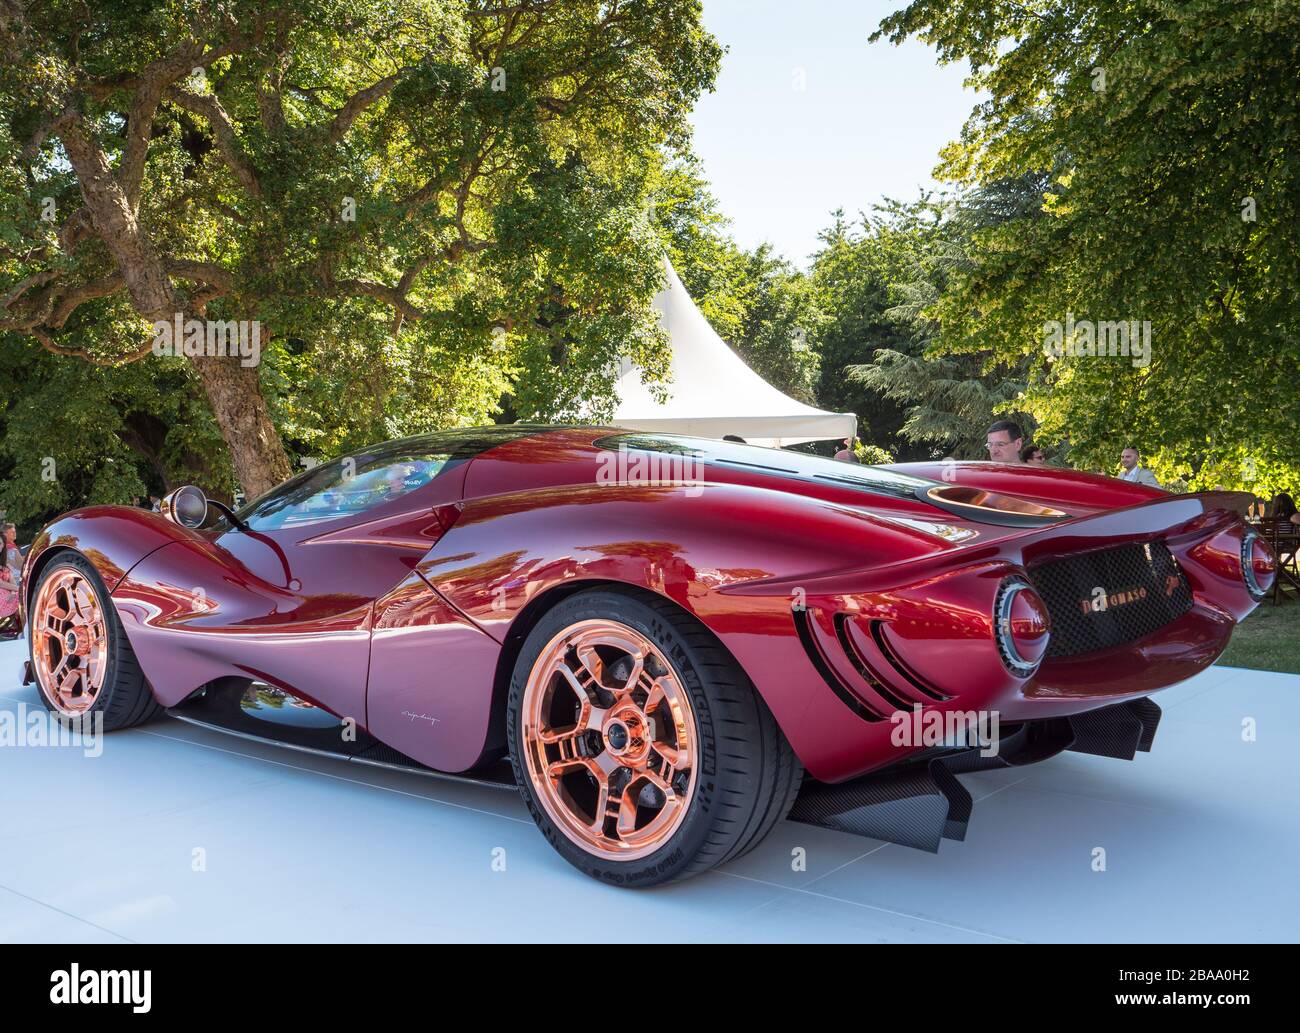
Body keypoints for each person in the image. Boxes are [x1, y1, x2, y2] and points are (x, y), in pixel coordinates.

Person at [3, 523, 21, 588]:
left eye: (15, 531)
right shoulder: (11, 548)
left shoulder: (5, 547)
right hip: (17, 580)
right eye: (12, 532)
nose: (14, 533)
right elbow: (21, 566)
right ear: (5, 534)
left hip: (8, 582)